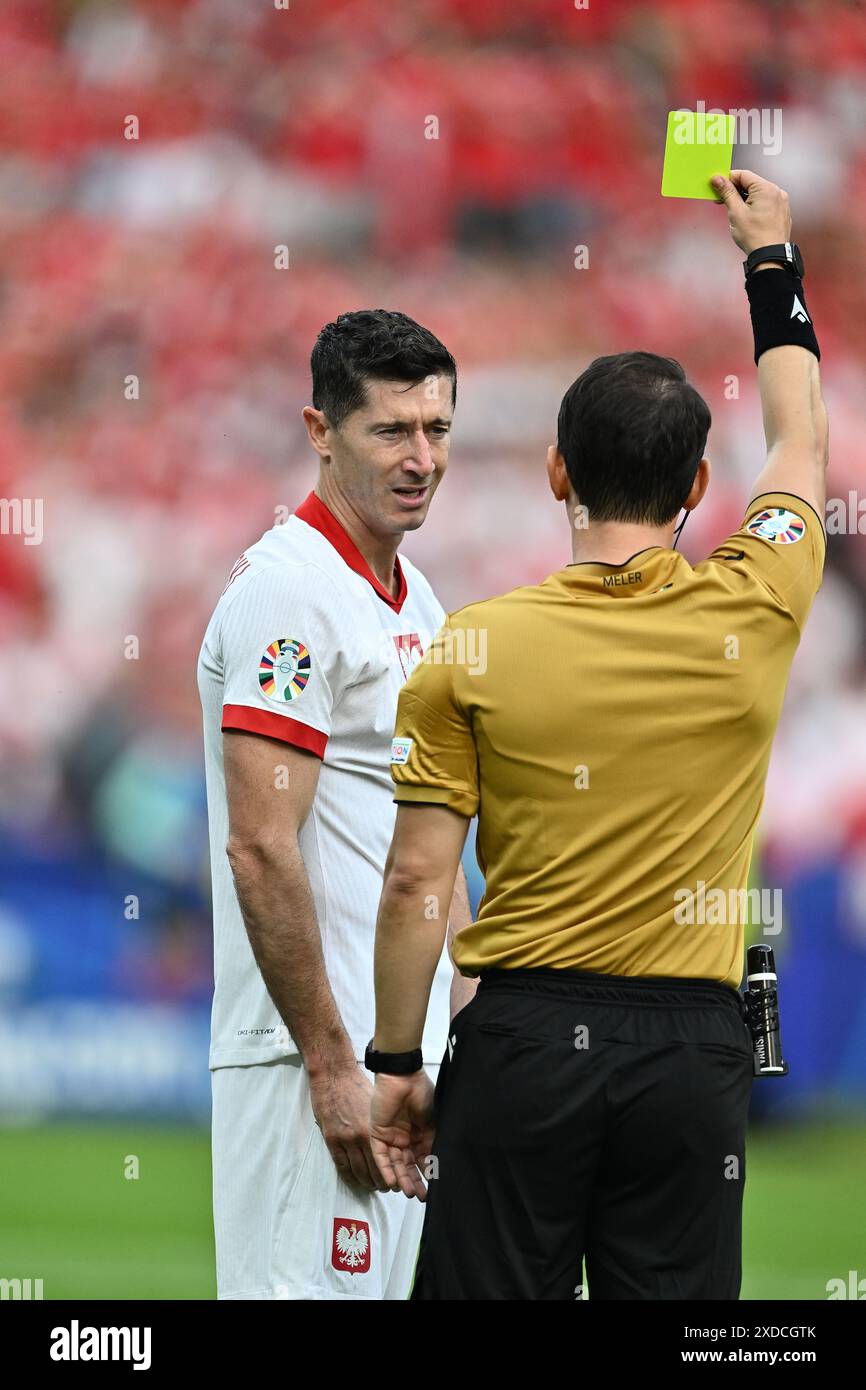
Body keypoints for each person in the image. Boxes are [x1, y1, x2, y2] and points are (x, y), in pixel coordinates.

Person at [367, 172, 828, 1300]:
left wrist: (391, 1062)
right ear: (698, 486)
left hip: (523, 1041)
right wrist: (768, 260)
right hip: (689, 1053)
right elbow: (802, 442)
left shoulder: (470, 648)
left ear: (555, 471)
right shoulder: (754, 604)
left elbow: (420, 876)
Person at [197, 309, 474, 1300]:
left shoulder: (420, 599)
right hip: (310, 1062)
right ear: (320, 431)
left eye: (436, 429)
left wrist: (461, 1040)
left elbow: (432, 850)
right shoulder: (290, 593)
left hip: (402, 1066)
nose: (419, 457)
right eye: (389, 430)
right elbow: (259, 847)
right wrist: (326, 1062)